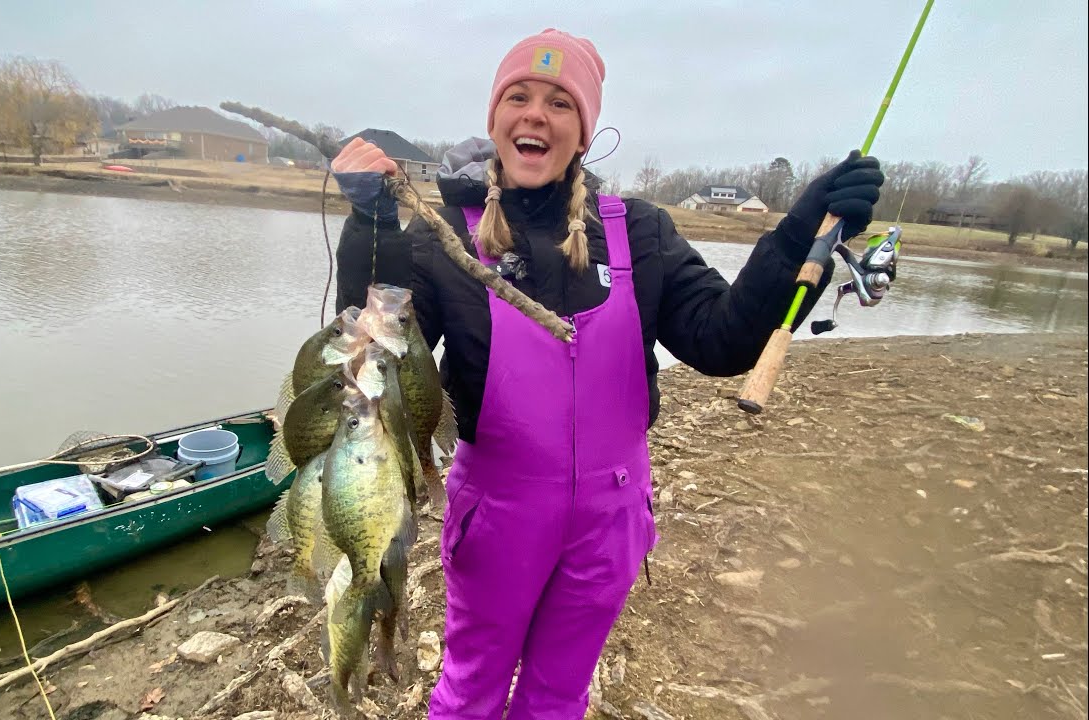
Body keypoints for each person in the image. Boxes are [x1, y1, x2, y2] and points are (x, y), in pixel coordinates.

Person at [329, 28, 883, 719]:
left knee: (559, 694)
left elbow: (721, 339)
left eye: (561, 103)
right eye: (519, 96)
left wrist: (798, 235)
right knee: (470, 689)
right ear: (495, 119)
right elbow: (371, 366)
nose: (536, 114)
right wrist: (369, 236)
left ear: (584, 132)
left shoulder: (638, 232)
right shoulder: (443, 238)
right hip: (496, 515)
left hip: (611, 519)